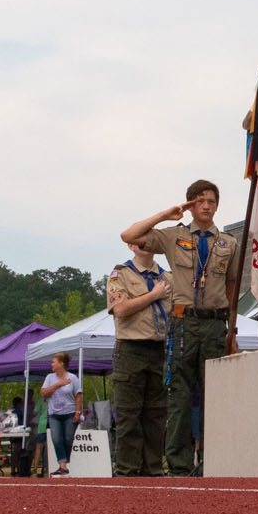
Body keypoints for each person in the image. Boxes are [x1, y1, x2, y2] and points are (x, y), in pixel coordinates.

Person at [122, 180, 240, 476]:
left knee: (215, 398)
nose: (206, 206)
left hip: (215, 324)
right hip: (182, 323)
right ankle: (179, 466)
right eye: (199, 201)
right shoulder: (173, 236)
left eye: (211, 201)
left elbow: (233, 286)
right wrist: (167, 214)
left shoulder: (228, 242)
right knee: (179, 397)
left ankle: (213, 463)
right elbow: (129, 235)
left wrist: (232, 330)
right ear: (190, 204)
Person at [106, 240, 172, 477]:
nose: (145, 243)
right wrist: (153, 295)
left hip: (158, 349)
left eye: (149, 238)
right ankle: (127, 471)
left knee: (156, 414)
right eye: (140, 240)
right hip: (130, 349)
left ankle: (153, 469)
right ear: (131, 245)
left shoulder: (167, 277)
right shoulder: (120, 274)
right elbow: (120, 310)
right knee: (128, 414)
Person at [39, 353, 80, 477]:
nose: (51, 364)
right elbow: (43, 392)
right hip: (54, 414)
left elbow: (78, 396)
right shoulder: (50, 377)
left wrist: (78, 412)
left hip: (70, 413)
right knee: (56, 439)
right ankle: (63, 466)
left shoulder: (73, 378)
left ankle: (63, 465)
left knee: (68, 439)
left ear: (61, 364)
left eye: (53, 362)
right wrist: (58, 384)